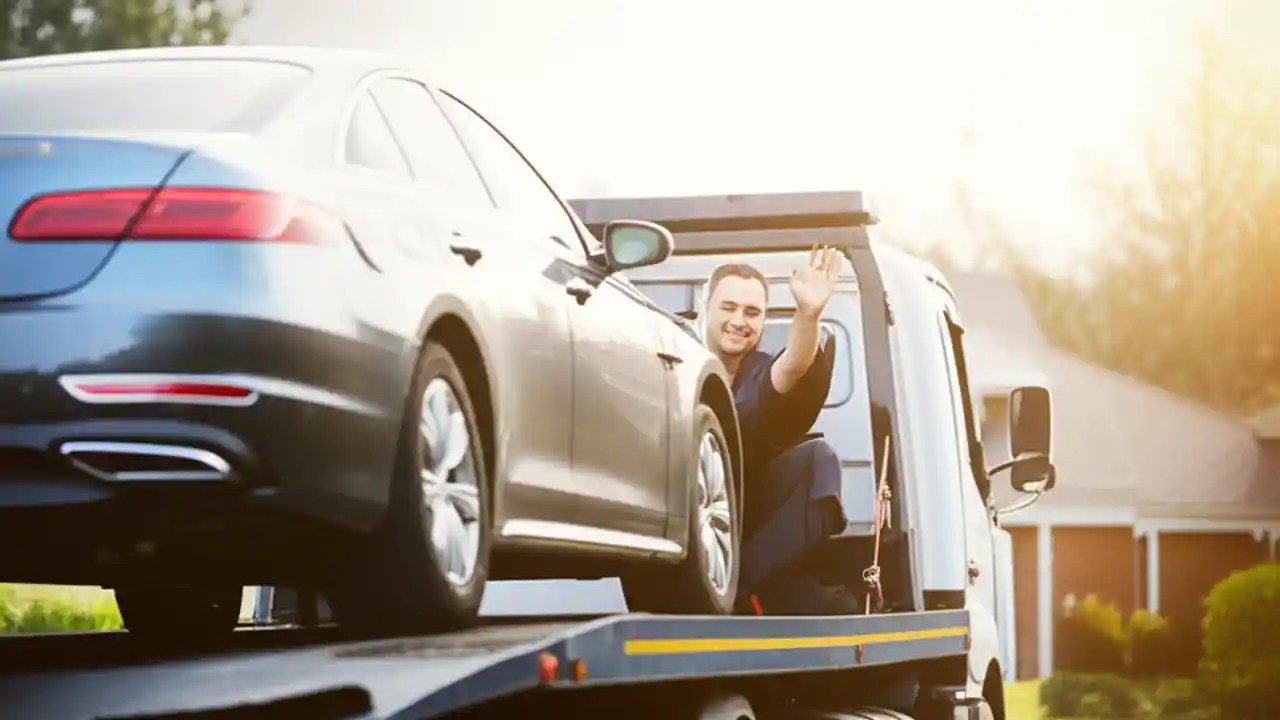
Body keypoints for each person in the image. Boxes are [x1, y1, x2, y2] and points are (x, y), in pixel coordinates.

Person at [701, 247, 860, 614]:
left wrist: (808, 314)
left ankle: (739, 589)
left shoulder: (758, 371)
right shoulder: (673, 359)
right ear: (705, 305)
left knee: (819, 460)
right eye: (728, 307)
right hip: (688, 516)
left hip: (749, 527)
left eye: (752, 312)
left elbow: (791, 368)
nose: (739, 320)